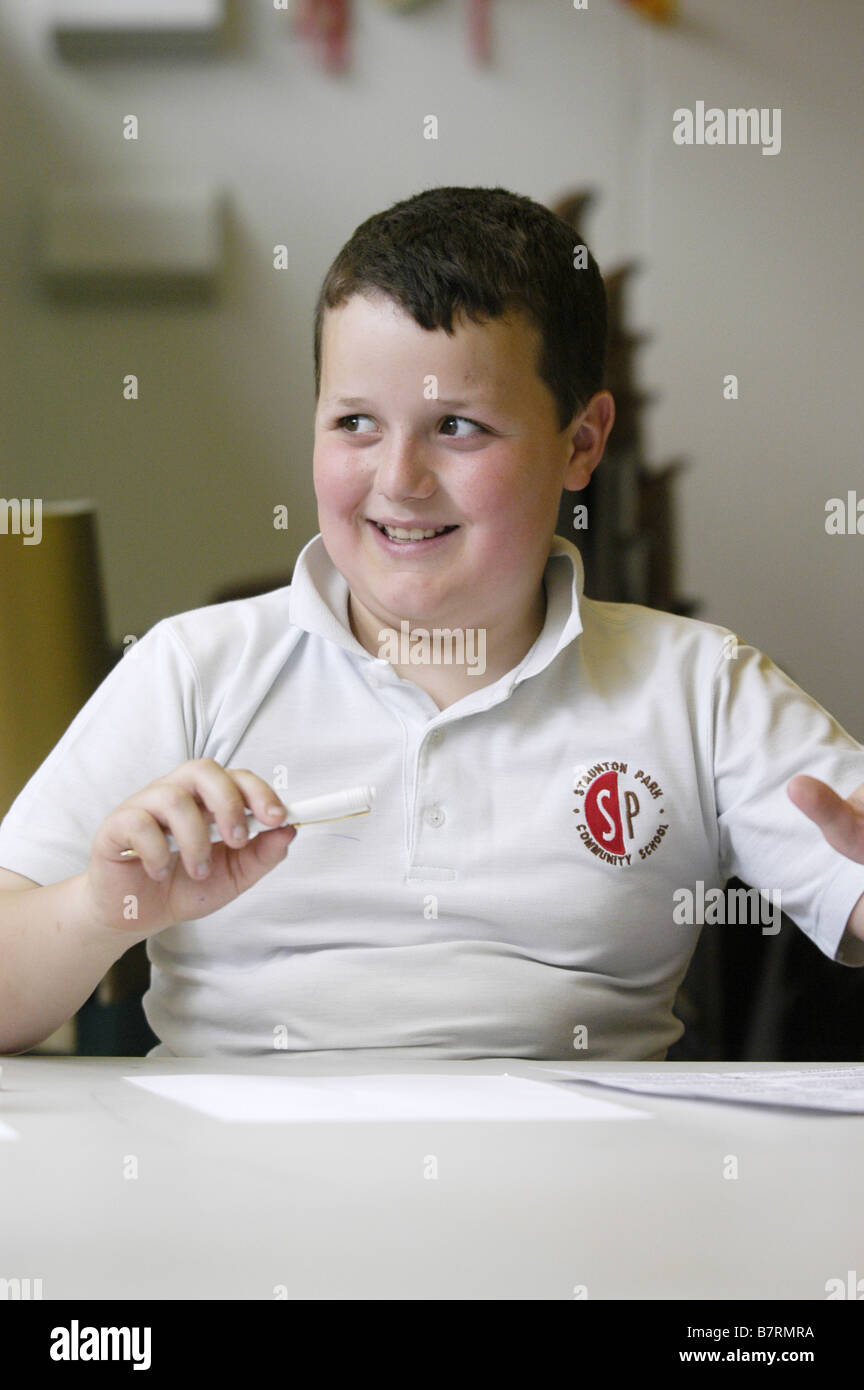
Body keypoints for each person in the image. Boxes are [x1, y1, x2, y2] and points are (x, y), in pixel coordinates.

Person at [1, 184, 863, 1061]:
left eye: (456, 426)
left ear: (581, 443)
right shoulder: (193, 667)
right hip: (238, 1181)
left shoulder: (698, 688)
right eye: (355, 424)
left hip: (583, 1184)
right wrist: (104, 909)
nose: (399, 479)